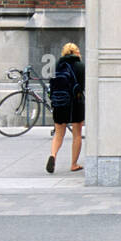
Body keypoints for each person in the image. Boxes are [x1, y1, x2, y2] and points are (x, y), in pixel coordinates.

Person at [46, 42, 85, 174]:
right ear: (76, 52)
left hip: (59, 103)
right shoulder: (80, 66)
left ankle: (53, 155)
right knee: (77, 134)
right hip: (76, 103)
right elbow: (83, 85)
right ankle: (74, 164)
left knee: (58, 133)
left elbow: (51, 85)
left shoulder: (56, 66)